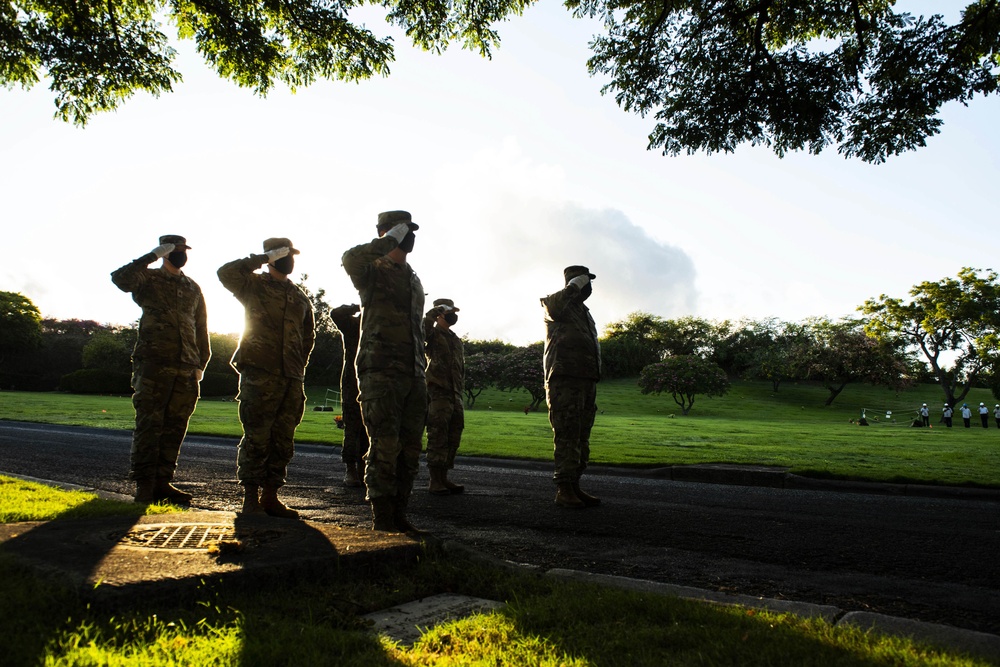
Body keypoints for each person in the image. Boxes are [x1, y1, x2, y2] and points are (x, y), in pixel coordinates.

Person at [218, 238, 315, 519]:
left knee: (283, 438)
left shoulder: (299, 297)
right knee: (257, 435)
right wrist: (260, 258)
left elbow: (308, 335)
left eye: (292, 255)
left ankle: (271, 496)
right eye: (284, 255)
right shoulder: (253, 285)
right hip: (261, 371)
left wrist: (299, 363)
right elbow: (225, 273)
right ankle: (250, 499)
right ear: (272, 257)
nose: (290, 260)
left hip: (292, 376)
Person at [342, 211, 426, 532]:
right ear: (383, 232)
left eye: (411, 231)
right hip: (381, 370)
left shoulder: (413, 276)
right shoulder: (372, 270)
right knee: (385, 446)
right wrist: (388, 239)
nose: (410, 236)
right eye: (404, 230)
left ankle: (400, 514)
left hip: (414, 373)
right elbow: (349, 259)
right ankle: (383, 519)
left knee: (410, 449)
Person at [111, 235, 210, 504]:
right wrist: (151, 256)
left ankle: (163, 482)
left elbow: (200, 326)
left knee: (175, 426)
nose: (181, 254)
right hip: (154, 363)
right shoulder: (148, 278)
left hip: (186, 366)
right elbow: (120, 279)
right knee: (149, 425)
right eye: (175, 250)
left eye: (183, 250)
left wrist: (201, 363)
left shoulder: (192, 286)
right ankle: (144, 485)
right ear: (166, 252)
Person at [541, 265, 602, 509]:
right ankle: (563, 489)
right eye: (585, 282)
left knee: (581, 435)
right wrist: (573, 285)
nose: (588, 287)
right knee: (567, 434)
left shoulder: (583, 312)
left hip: (585, 380)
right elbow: (554, 305)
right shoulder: (555, 306)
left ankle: (575, 484)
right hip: (565, 379)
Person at [423, 298, 466, 495]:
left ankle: (444, 476)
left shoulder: (455, 338)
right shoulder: (431, 333)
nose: (453, 315)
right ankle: (435, 480)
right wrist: (432, 314)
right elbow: (422, 331)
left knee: (453, 435)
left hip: (454, 393)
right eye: (449, 312)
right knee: (438, 435)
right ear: (440, 313)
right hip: (437, 391)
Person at [330, 303, 369, 488]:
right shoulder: (353, 324)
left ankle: (364, 469)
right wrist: (355, 306)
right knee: (353, 426)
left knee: (370, 428)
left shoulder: (382, 324)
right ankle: (351, 469)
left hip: (374, 381)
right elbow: (336, 313)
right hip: (353, 381)